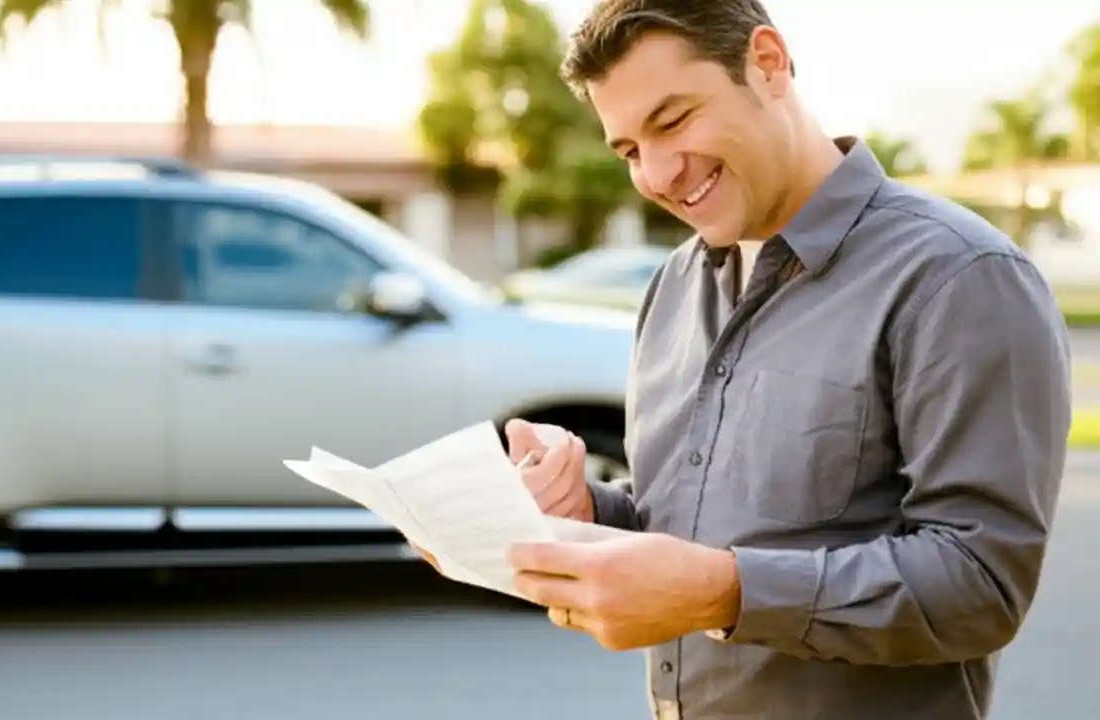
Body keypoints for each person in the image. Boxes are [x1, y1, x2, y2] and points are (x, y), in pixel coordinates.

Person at [423, 1, 1074, 718]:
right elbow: (688, 524)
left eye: (673, 122)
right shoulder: (673, 286)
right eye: (632, 150)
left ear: (767, 63)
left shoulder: (957, 277)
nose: (661, 174)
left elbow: (982, 585)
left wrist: (725, 593)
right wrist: (580, 512)